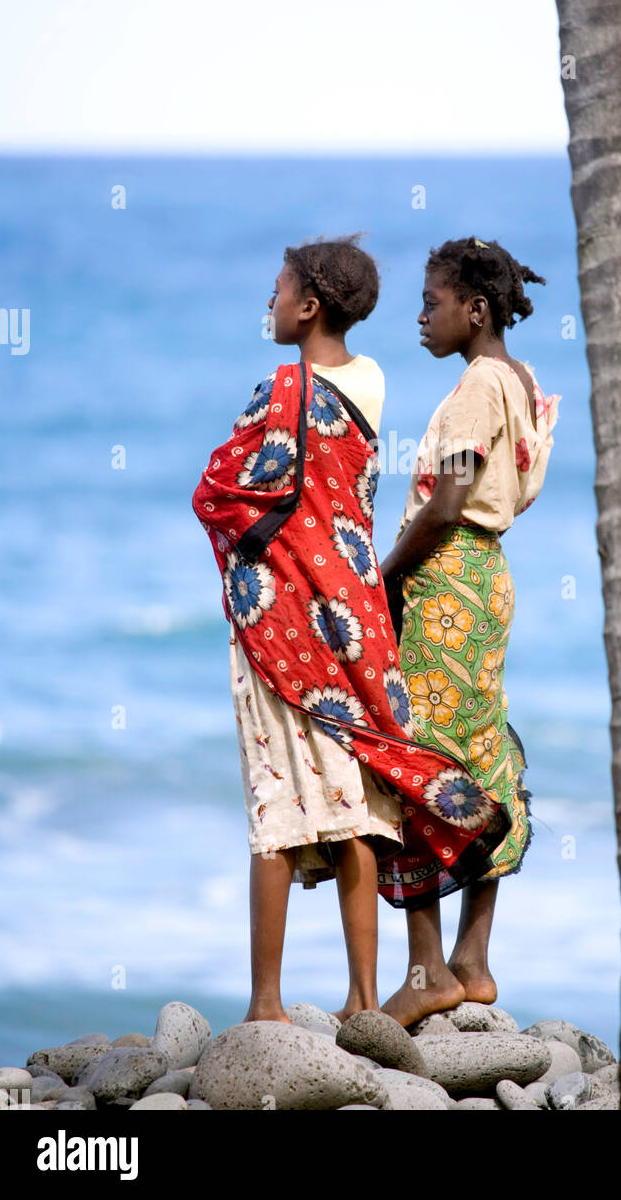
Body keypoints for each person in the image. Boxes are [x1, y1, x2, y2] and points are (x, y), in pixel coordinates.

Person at [191, 235, 509, 1026]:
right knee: (358, 808)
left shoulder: (284, 391)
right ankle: (366, 999)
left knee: (275, 808)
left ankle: (265, 1006)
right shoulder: (369, 380)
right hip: (358, 614)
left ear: (308, 307)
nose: (268, 303)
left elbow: (219, 491)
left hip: (287, 622)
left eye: (278, 291)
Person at [379, 236, 560, 1028]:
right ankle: (473, 961)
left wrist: (385, 574)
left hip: (449, 574)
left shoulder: (478, 388)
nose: (420, 315)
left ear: (474, 309)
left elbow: (448, 502)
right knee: (479, 754)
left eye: (431, 301)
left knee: (415, 761)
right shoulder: (522, 382)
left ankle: (428, 973)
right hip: (488, 578)